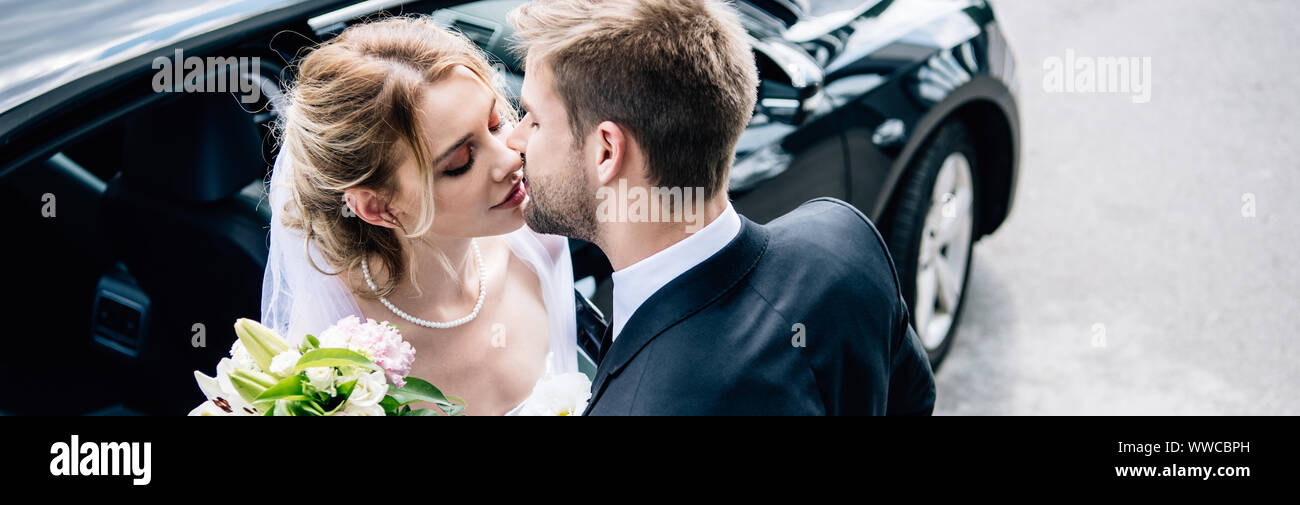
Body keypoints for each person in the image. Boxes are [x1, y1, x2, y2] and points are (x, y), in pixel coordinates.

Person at [505, 0, 937, 415]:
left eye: (534, 119)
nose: (515, 139)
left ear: (605, 151)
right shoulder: (844, 242)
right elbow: (914, 402)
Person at [262, 16, 581, 416]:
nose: (511, 157)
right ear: (379, 207)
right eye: (460, 162)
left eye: (496, 122)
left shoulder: (540, 241)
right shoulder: (337, 364)